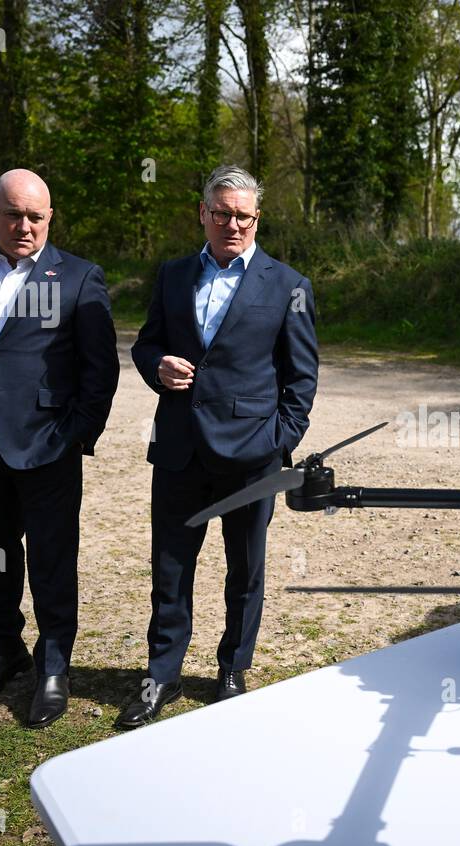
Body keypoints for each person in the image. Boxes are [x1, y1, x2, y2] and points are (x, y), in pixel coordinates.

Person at [119, 164, 319, 728]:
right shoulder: (174, 274)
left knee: (245, 568)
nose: (234, 224)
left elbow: (301, 378)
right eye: (224, 213)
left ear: (257, 220)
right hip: (180, 449)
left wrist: (279, 442)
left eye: (245, 217)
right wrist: (155, 364)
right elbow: (146, 342)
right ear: (204, 214)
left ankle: (233, 669)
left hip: (251, 456)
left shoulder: (289, 285)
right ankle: (161, 673)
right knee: (170, 567)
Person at [0, 169, 120, 728]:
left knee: (54, 561)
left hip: (48, 447)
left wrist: (77, 435)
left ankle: (53, 666)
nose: (24, 226)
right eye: (14, 215)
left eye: (35, 216)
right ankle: (3, 651)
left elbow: (99, 372)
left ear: (49, 217)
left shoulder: (78, 277)